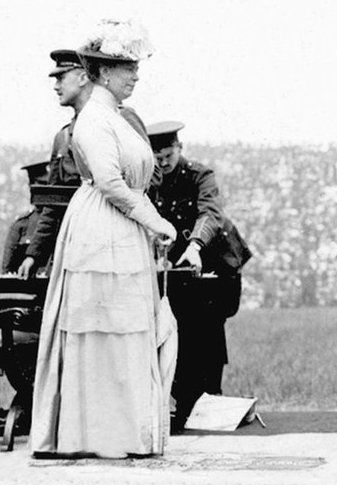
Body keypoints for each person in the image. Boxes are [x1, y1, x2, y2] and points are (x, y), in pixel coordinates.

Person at [30, 19, 177, 457]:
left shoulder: (113, 116)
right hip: (103, 225)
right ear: (104, 72)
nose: (135, 75)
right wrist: (155, 221)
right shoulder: (94, 117)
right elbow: (111, 183)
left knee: (122, 324)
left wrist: (146, 223)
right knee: (103, 326)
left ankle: (121, 429)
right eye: (127, 68)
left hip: (120, 227)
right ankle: (94, 433)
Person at [146, 120, 252, 430]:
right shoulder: (150, 180)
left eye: (168, 156)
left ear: (179, 149)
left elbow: (210, 213)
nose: (163, 164)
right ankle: (187, 400)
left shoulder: (200, 175)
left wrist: (195, 245)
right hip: (181, 266)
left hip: (217, 260)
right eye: (158, 158)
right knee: (180, 327)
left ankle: (209, 398)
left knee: (208, 329)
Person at [17, 49, 149, 278]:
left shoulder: (122, 119)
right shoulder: (63, 137)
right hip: (74, 244)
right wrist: (33, 255)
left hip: (116, 241)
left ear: (82, 77)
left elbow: (150, 179)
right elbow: (52, 202)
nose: (56, 86)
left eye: (61, 78)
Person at [2, 162, 51, 274]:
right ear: (30, 187)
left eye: (45, 185)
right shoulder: (21, 224)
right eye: (37, 186)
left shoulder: (62, 222)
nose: (40, 191)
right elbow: (7, 272)